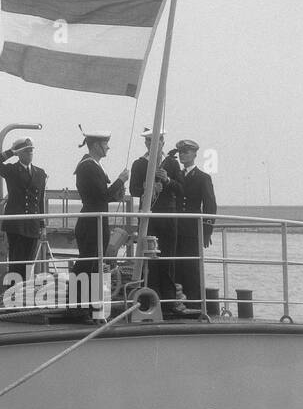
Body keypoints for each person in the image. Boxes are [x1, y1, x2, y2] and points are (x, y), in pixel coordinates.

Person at [128, 128, 182, 305]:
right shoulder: (139, 164)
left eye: (155, 141)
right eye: (148, 141)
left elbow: (182, 189)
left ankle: (168, 299)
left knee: (168, 256)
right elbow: (133, 190)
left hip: (167, 215)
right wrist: (146, 188)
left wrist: (167, 181)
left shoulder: (171, 164)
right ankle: (149, 296)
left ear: (162, 143)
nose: (151, 144)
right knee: (148, 258)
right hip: (148, 216)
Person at [73, 130, 128, 296]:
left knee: (95, 263)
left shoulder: (93, 166)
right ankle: (78, 307)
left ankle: (89, 306)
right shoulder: (88, 166)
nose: (108, 147)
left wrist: (117, 191)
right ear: (96, 145)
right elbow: (101, 196)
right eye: (105, 144)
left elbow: (100, 196)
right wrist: (120, 180)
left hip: (96, 220)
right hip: (91, 222)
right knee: (88, 263)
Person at [170, 139, 218, 316]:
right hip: (177, 229)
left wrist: (206, 231)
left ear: (195, 155)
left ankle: (196, 305)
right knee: (176, 265)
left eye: (187, 152)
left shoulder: (202, 178)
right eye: (181, 152)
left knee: (191, 267)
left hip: (192, 230)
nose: (183, 155)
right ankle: (178, 302)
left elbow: (210, 206)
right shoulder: (176, 176)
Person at [0, 139, 46, 282]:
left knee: (29, 263)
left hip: (32, 224)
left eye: (31, 150)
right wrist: (11, 152)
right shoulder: (11, 170)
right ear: (19, 153)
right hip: (16, 225)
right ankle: (13, 295)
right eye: (26, 151)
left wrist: (42, 225)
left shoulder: (40, 173)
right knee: (16, 262)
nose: (29, 153)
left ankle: (24, 294)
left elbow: (39, 200)